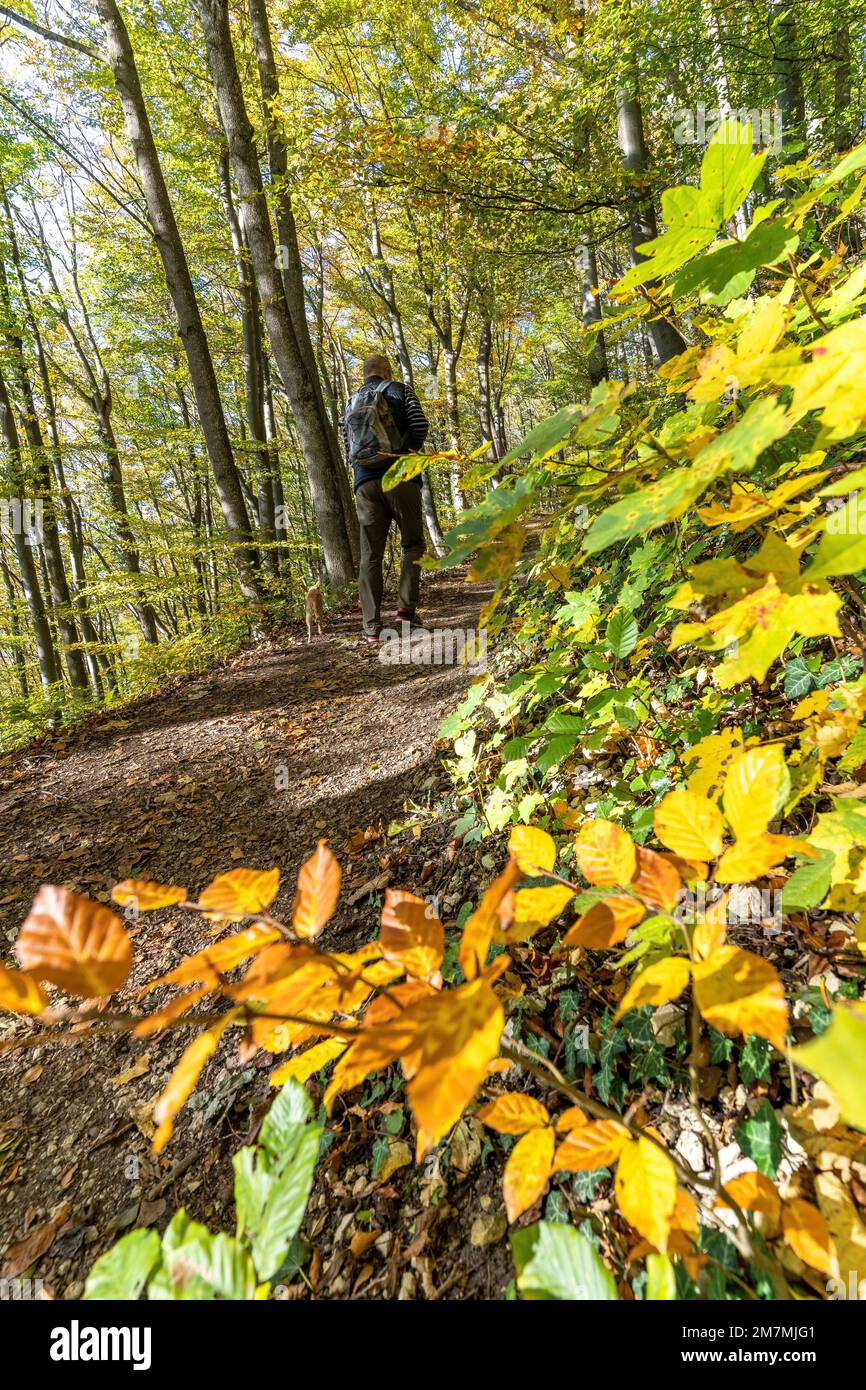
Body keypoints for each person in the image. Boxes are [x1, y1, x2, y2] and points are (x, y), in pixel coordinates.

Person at [341, 353, 430, 644]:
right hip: (401, 476)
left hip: (364, 484)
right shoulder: (399, 390)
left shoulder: (351, 401)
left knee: (370, 555)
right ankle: (405, 613)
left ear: (364, 375)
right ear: (387, 372)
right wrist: (407, 453)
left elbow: (349, 446)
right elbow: (419, 426)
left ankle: (371, 627)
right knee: (412, 544)